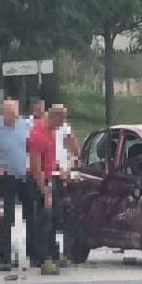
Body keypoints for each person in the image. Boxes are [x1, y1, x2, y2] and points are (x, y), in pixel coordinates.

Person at [0, 98, 31, 272]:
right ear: (4, 113)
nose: (14, 116)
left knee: (31, 215)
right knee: (7, 218)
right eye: (11, 113)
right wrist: (0, 170)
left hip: (26, 175)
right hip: (8, 177)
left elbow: (32, 147)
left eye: (16, 113)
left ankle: (34, 254)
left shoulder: (26, 125)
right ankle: (5, 258)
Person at [28, 106, 64, 275]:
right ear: (54, 117)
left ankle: (53, 254)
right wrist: (45, 192)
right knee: (44, 222)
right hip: (39, 181)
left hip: (50, 177)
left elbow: (50, 158)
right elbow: (36, 168)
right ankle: (43, 259)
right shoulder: (38, 135)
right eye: (61, 121)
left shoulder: (51, 131)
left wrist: (59, 169)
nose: (61, 126)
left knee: (53, 220)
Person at [50, 104, 80, 264]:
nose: (65, 121)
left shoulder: (63, 128)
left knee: (65, 214)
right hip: (53, 175)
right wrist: (59, 169)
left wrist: (75, 160)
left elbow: (74, 144)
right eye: (63, 117)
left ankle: (67, 251)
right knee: (53, 216)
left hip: (63, 174)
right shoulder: (46, 129)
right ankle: (52, 252)